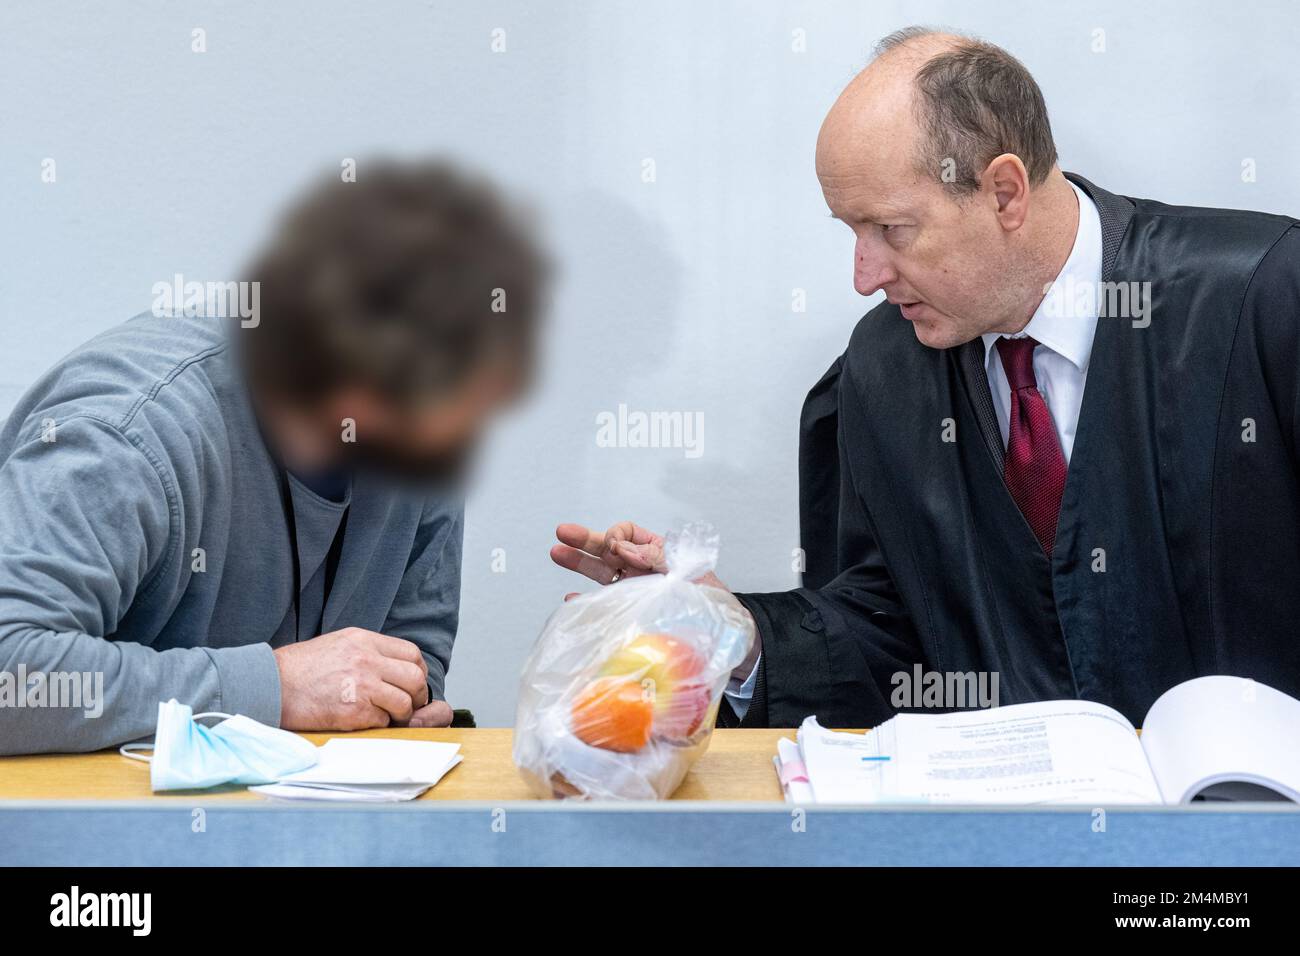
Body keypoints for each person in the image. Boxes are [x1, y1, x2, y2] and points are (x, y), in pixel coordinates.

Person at [552, 27, 1300, 728]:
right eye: (852, 231)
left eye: (891, 231)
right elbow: (893, 642)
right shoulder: (885, 369)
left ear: (1004, 192)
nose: (863, 276)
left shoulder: (1261, 300)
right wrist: (732, 634)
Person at [0, 160, 547, 753]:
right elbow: (10, 674)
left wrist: (397, 704)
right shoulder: (131, 434)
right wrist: (275, 688)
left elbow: (411, 658)